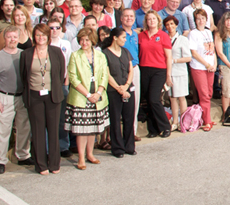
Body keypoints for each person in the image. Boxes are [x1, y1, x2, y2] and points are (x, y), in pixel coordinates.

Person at [0, 27, 32, 174]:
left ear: (18, 38)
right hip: (4, 97)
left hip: (22, 96)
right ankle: (0, 160)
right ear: (5, 39)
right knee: (2, 131)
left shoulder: (23, 55)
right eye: (9, 37)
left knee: (24, 128)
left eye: (14, 37)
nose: (12, 40)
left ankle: (23, 155)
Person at [22, 23, 66, 175]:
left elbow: (61, 73)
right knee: (38, 131)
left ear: (48, 37)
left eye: (43, 35)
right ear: (34, 37)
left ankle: (54, 164)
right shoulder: (26, 54)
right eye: (38, 35)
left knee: (53, 130)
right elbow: (24, 77)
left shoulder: (56, 51)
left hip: (52, 95)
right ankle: (41, 165)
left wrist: (54, 88)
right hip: (34, 96)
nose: (41, 38)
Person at [66, 28, 109, 170]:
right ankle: (81, 158)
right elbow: (73, 77)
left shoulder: (100, 56)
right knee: (82, 129)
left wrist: (98, 92)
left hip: (97, 96)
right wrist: (88, 95)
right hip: (82, 97)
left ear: (92, 41)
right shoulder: (74, 56)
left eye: (87, 40)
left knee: (92, 128)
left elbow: (104, 75)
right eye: (82, 40)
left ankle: (90, 154)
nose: (84, 42)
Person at [101, 27, 135, 158]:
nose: (125, 40)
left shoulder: (126, 52)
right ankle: (117, 148)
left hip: (127, 89)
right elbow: (107, 74)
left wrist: (126, 86)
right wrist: (119, 89)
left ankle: (129, 146)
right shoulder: (105, 53)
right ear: (115, 38)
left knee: (129, 118)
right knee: (115, 119)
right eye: (123, 38)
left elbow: (130, 70)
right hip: (113, 91)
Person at [138, 12, 173, 139]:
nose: (151, 21)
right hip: (144, 69)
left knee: (154, 99)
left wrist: (168, 75)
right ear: (146, 21)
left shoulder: (163, 36)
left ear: (157, 20)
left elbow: (168, 57)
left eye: (154, 18)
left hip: (159, 70)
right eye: (149, 19)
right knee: (148, 100)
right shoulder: (141, 35)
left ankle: (165, 126)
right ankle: (152, 129)